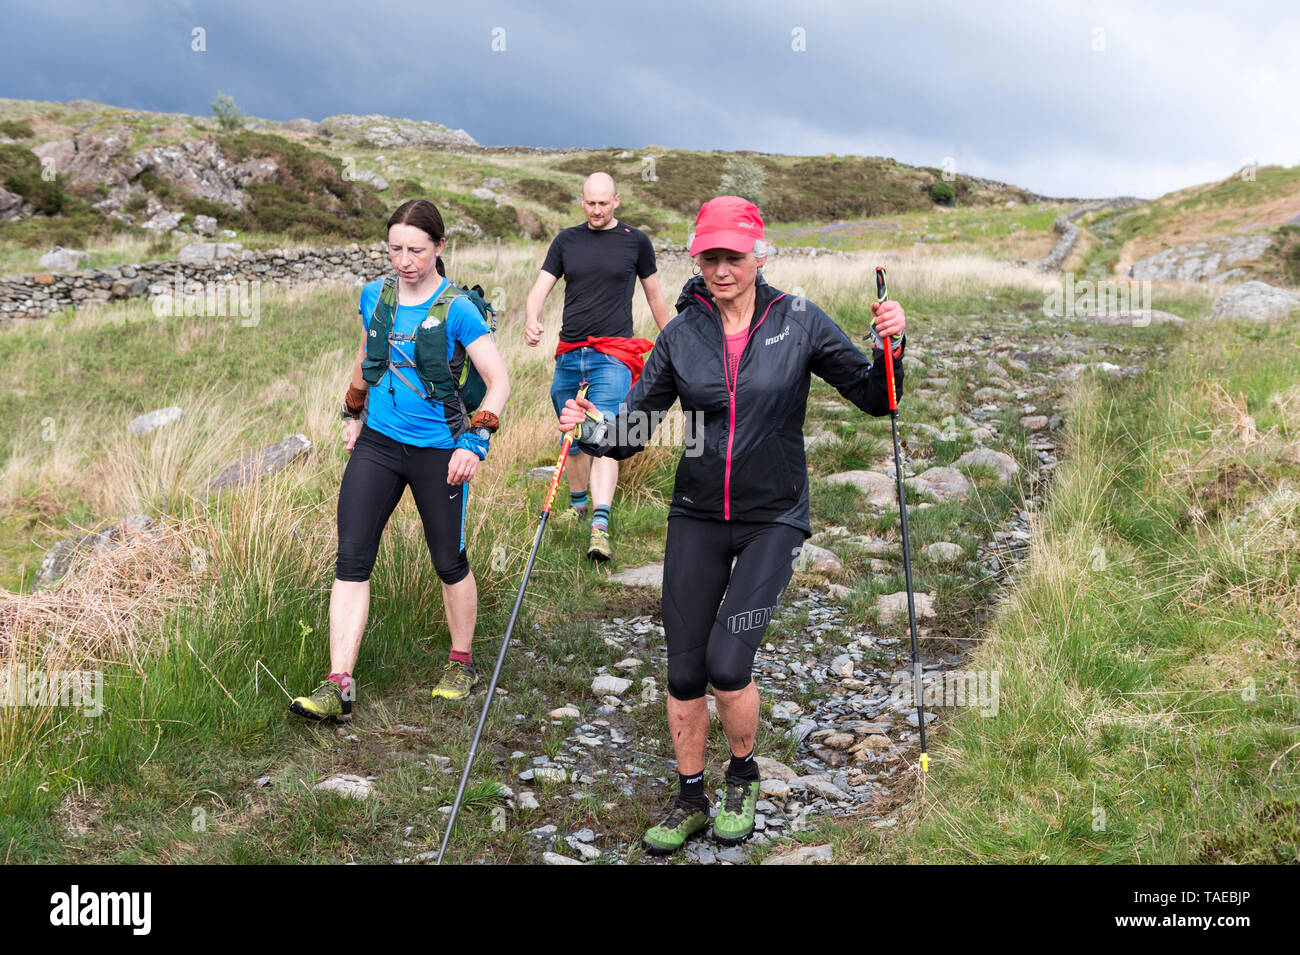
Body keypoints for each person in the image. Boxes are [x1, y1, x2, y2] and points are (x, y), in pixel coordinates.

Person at [558, 196, 907, 854]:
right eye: (709, 257)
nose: (721, 269)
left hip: (774, 516)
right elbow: (636, 427)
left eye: (733, 257)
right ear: (697, 258)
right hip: (697, 513)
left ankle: (742, 775)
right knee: (684, 672)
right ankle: (691, 797)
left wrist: (891, 343)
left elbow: (877, 396)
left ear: (759, 255)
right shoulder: (681, 334)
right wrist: (591, 432)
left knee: (727, 661)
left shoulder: (798, 320)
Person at [290, 199, 510, 721]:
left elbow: (499, 381)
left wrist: (474, 443)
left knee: (448, 561)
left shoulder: (459, 309)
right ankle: (338, 686)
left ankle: (461, 662)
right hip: (379, 445)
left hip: (441, 451)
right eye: (395, 249)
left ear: (439, 247)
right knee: (351, 558)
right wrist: (351, 412)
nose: (404, 261)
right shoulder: (375, 296)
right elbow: (368, 357)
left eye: (416, 250)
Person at [524, 172, 671, 562]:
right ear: (582, 201)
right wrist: (531, 319)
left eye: (603, 203)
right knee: (574, 434)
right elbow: (540, 289)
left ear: (616, 201)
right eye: (590, 203)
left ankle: (600, 526)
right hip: (569, 354)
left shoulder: (636, 242)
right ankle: (577, 507)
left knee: (605, 433)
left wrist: (673, 340)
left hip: (613, 355)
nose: (596, 210)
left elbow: (655, 296)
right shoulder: (566, 241)